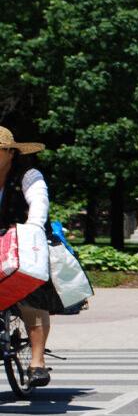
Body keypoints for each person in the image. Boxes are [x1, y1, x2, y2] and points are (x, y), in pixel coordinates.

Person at [0, 126, 55, 387]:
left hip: (23, 241)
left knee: (29, 296)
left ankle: (37, 363)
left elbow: (39, 203)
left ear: (11, 153)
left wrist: (32, 226)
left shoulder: (28, 175)